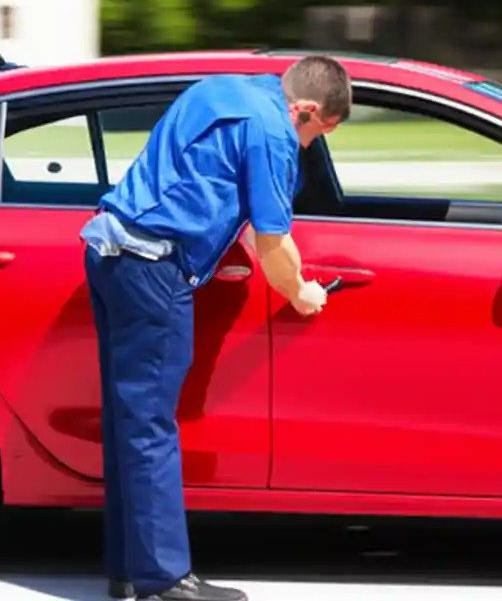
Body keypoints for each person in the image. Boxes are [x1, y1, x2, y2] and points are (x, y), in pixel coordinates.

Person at [80, 55, 352, 601]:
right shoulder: (274, 133)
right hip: (154, 269)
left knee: (128, 420)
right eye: (318, 134)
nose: (310, 147)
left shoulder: (224, 90)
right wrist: (302, 292)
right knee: (151, 425)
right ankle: (164, 582)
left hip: (109, 255)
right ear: (304, 109)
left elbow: (233, 203)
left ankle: (130, 571)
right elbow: (274, 245)